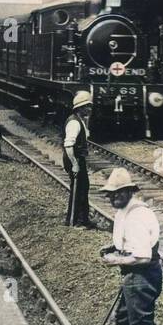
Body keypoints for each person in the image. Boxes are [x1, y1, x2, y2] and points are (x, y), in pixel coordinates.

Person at [99, 168, 163, 325]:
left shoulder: (137, 215)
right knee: (125, 318)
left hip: (142, 275)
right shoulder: (123, 210)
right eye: (110, 194)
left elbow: (143, 255)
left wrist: (115, 260)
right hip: (131, 272)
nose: (112, 197)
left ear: (128, 192)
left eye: (117, 193)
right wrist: (114, 249)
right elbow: (129, 243)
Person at [63, 90, 94, 227]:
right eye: (87, 106)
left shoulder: (79, 120)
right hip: (74, 159)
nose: (89, 108)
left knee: (83, 188)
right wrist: (74, 164)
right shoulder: (74, 122)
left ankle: (83, 220)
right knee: (77, 189)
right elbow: (68, 145)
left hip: (78, 159)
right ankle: (73, 222)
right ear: (80, 108)